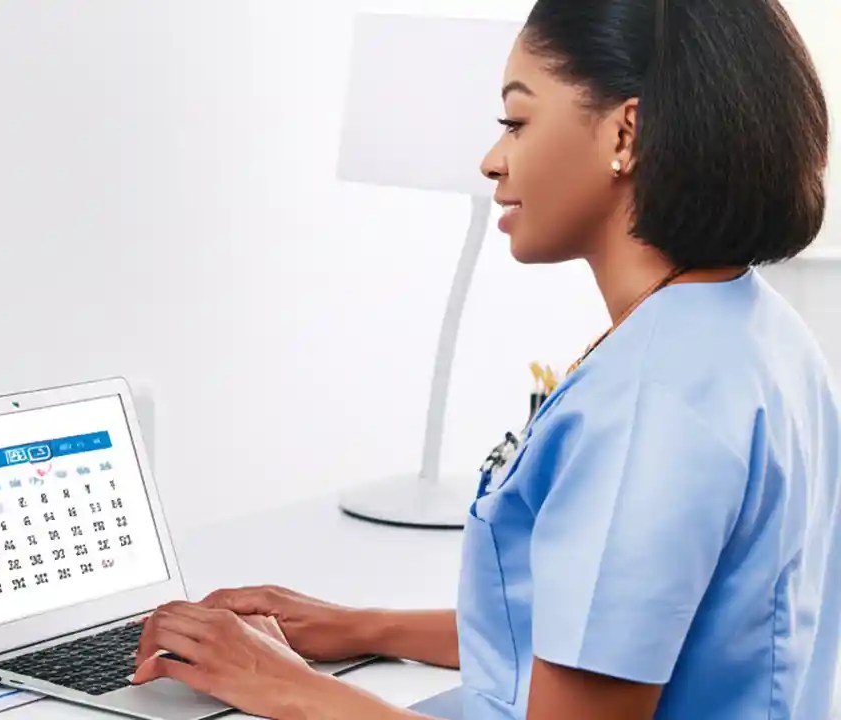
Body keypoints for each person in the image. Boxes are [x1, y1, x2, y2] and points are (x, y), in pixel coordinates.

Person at [131, 0, 837, 718]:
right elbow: (618, 640)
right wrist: (357, 627)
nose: (492, 159)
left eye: (516, 121)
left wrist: (280, 685)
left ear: (627, 131)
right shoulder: (755, 330)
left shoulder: (651, 399)